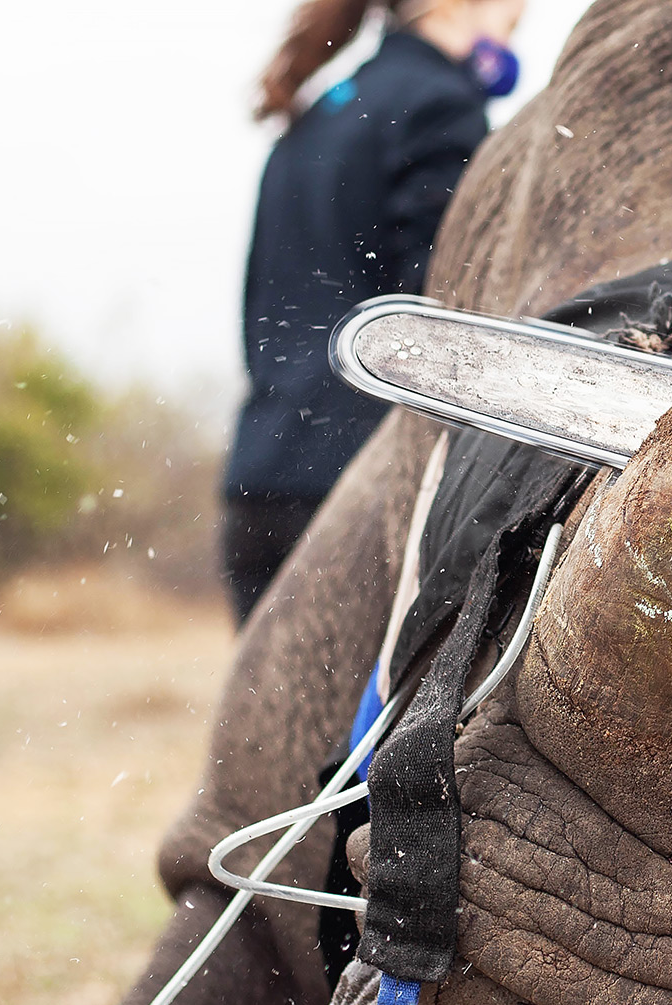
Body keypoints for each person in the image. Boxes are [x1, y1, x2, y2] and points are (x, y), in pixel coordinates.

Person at [222, 0, 528, 623]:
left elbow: (266, 311)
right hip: (358, 501)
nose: (521, 18)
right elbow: (448, 318)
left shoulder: (319, 110)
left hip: (261, 482)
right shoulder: (441, 105)